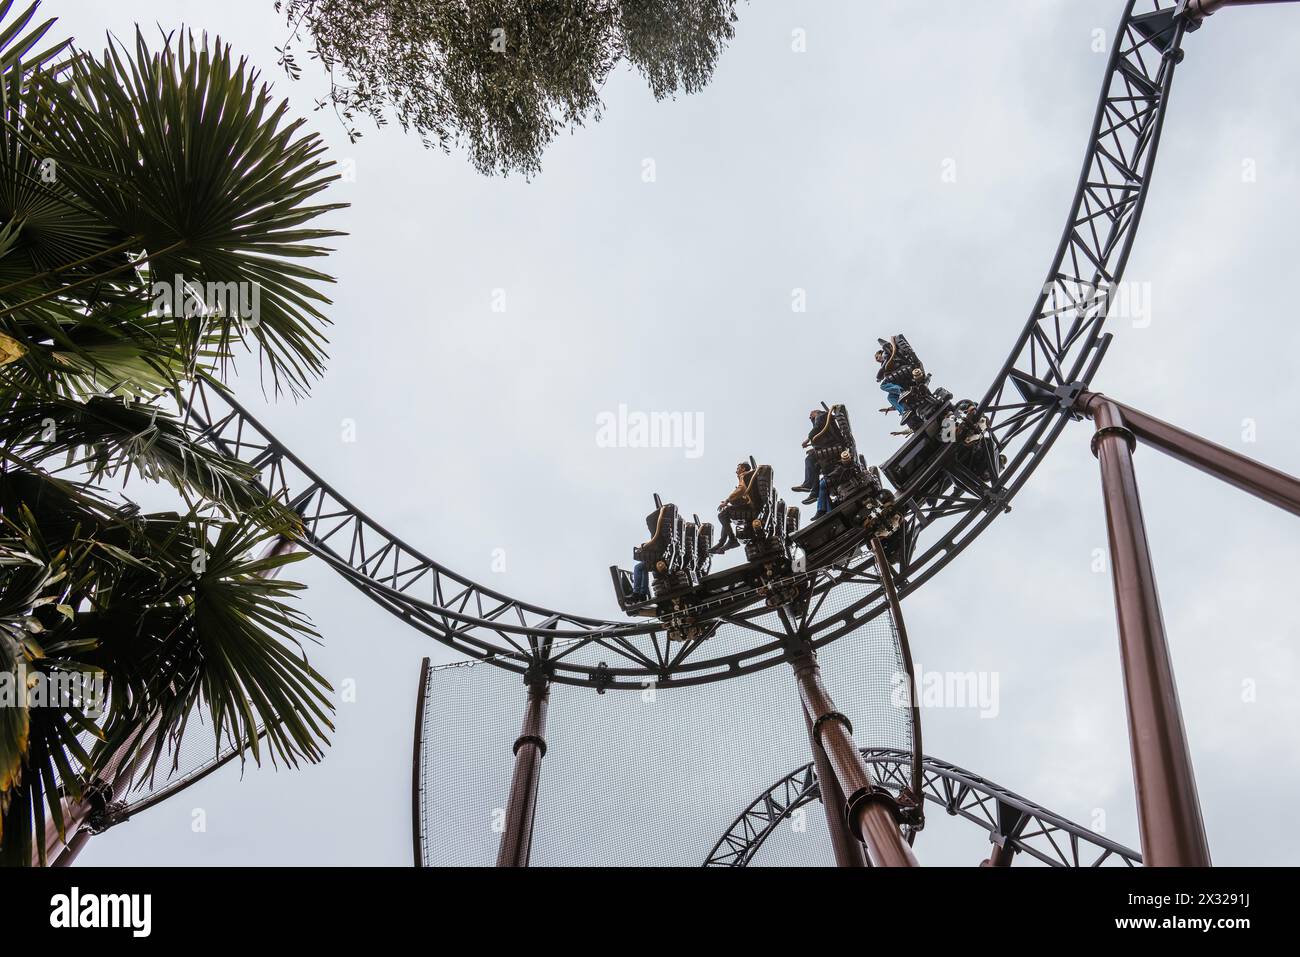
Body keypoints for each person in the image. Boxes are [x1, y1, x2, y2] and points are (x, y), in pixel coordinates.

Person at [710, 461, 754, 555]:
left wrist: (727, 500)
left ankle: (732, 540)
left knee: (722, 515)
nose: (736, 471)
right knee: (725, 515)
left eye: (738, 468)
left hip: (749, 508)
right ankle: (722, 542)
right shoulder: (749, 477)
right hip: (749, 506)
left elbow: (741, 489)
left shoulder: (745, 476)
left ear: (743, 469)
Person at [791, 408, 828, 506]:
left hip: (829, 447)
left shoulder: (821, 416)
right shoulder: (825, 419)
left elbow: (817, 428)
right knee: (815, 466)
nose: (810, 417)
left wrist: (807, 440)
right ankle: (814, 494)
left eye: (811, 414)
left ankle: (807, 484)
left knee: (809, 459)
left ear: (816, 412)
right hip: (826, 447)